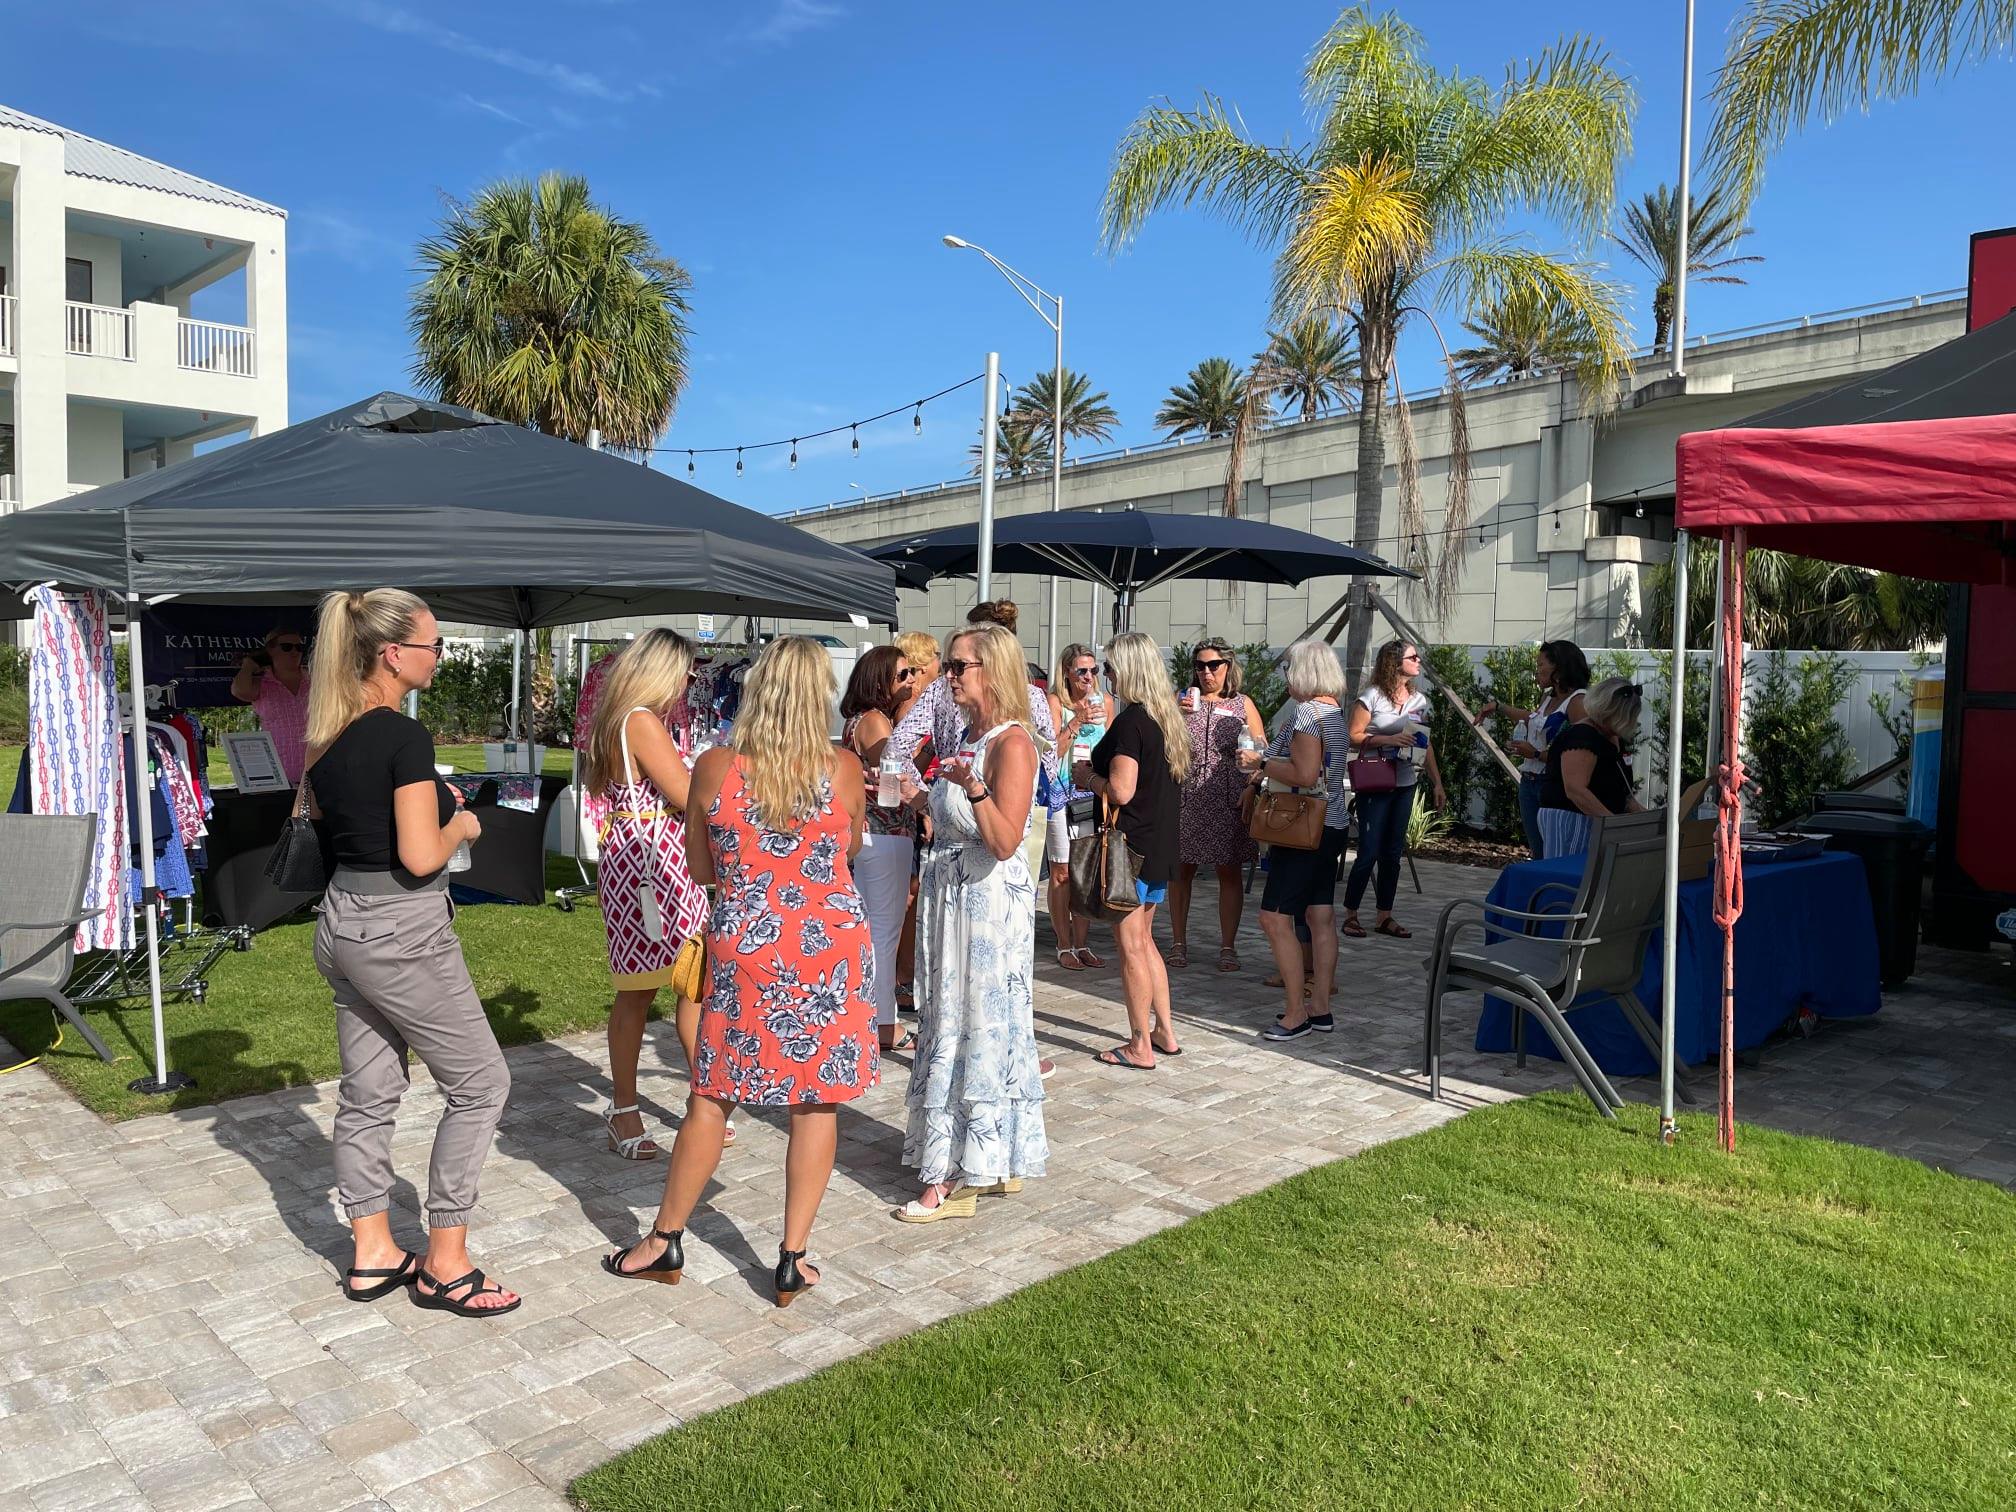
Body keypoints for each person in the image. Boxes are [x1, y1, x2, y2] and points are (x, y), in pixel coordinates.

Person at [603, 637, 878, 1306]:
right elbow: (850, 849)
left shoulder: (715, 766)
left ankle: (665, 1238)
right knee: (815, 1105)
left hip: (745, 946)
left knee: (712, 1093)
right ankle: (791, 1258)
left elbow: (701, 869)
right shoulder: (842, 768)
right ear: (818, 696)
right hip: (827, 950)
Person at [305, 590, 517, 1318]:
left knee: (368, 1094)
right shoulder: (403, 738)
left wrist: (429, 801)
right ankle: (446, 1260)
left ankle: (372, 1253)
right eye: (434, 645)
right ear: (394, 654)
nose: (439, 656)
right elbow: (420, 854)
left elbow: (351, 828)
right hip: (400, 929)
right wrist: (460, 823)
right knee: (482, 1083)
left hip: (341, 922)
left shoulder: (326, 735)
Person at [889, 621, 1047, 1221]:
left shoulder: (1012, 744)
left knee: (978, 1022)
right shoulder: (971, 734)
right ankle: (987, 1153)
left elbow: (1005, 840)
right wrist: (918, 796)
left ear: (993, 671)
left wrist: (974, 788)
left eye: (960, 667)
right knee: (956, 1017)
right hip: (955, 899)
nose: (947, 677)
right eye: (948, 666)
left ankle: (959, 1171)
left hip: (986, 907)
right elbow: (953, 819)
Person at [582, 629, 714, 1162]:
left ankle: (699, 1099)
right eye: (686, 671)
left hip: (647, 860)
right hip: (652, 868)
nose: (691, 681)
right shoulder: (640, 721)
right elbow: (683, 794)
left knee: (686, 982)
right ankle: (627, 1107)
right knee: (648, 987)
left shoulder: (631, 719)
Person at [1076, 631, 1189, 1072]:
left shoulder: (1132, 722)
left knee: (1130, 947)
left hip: (1132, 846)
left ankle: (1140, 1042)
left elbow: (1121, 790)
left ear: (1129, 670)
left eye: (1110, 667)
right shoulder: (1167, 720)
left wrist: (1089, 778)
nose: (1106, 675)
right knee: (1145, 941)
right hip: (1159, 842)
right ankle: (1164, 1031)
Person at [1238, 640, 1351, 1039]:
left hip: (1303, 827)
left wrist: (1261, 762)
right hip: (1332, 823)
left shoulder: (1306, 713)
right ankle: (1319, 1007)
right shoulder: (1334, 711)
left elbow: (1304, 774)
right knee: (1320, 916)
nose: (1286, 676)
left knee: (1274, 917)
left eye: (1289, 668)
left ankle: (1295, 1012)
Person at [1170, 636, 1267, 972]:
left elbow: (1261, 752)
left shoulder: (1243, 704)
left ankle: (1228, 946)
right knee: (1180, 870)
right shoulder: (1180, 700)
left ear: (1228, 667)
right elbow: (1163, 745)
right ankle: (1178, 943)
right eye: (1199, 665)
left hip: (1228, 794)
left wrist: (1252, 787)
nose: (1206, 672)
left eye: (1213, 665)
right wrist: (1174, 717)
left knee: (1230, 872)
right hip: (1187, 793)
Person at [840, 645, 919, 1052]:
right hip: (885, 833)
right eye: (903, 674)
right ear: (880, 681)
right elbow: (893, 775)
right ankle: (882, 1022)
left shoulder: (860, 721)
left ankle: (869, 1013)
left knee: (875, 930)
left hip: (873, 835)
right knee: (883, 933)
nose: (911, 681)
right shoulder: (873, 721)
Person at [1342, 640, 1446, 942]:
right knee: (1368, 850)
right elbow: (1353, 736)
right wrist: (1388, 740)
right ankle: (1351, 913)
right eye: (1412, 657)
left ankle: (1384, 916)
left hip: (1404, 782)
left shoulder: (1419, 700)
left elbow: (1424, 743)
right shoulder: (1371, 697)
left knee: (1392, 853)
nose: (1418, 661)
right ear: (1393, 661)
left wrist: (1437, 781)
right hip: (1376, 780)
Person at [1475, 640, 1591, 858]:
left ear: (1559, 668)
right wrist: (1499, 707)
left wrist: (1537, 754)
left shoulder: (1578, 702)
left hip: (1553, 785)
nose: (1536, 671)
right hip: (1529, 782)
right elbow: (1533, 719)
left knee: (1554, 853)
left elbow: (1579, 752)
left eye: (1540, 665)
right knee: (1537, 850)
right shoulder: (1548, 697)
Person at [1044, 643, 1108, 972]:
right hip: (1060, 794)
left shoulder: (1105, 703)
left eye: (1093, 670)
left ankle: (1082, 942)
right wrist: (1075, 722)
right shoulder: (1056, 702)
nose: (1088, 677)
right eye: (1081, 670)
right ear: (1067, 672)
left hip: (1089, 795)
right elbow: (1050, 752)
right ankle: (1063, 942)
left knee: (1084, 872)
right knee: (1062, 871)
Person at [1538, 676, 1647, 857]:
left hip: (1596, 821)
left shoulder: (1613, 737)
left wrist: (1651, 819)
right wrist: (1612, 823)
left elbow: (1624, 795)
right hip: (1571, 820)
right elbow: (1575, 790)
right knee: (1569, 877)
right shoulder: (1582, 736)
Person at [890, 629, 940, 1013]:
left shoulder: (909, 706)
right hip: (906, 811)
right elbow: (899, 766)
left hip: (907, 808)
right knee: (909, 899)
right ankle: (902, 979)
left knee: (908, 898)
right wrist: (923, 802)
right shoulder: (912, 709)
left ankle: (902, 976)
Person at [232, 625, 313, 783]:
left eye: (299, 647)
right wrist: (248, 665)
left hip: (316, 775)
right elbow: (240, 691)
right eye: (287, 647)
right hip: (278, 778)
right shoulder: (261, 683)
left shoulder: (315, 680)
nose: (294, 652)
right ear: (270, 650)